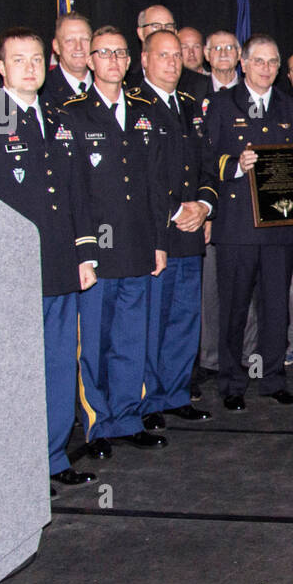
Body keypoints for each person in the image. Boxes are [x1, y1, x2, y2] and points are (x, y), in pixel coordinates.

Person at [0, 27, 99, 488]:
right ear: (0, 67)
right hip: (9, 272)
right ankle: (18, 467)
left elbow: (77, 192)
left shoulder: (58, 119)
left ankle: (54, 456)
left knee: (59, 366)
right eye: (19, 60)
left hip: (59, 266)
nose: (30, 68)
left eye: (37, 59)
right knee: (16, 372)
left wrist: (86, 254)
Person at [58, 25, 168, 458]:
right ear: (89, 59)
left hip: (139, 243)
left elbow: (156, 186)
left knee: (131, 338)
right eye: (104, 53)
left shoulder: (145, 111)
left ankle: (127, 416)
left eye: (121, 54)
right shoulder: (72, 113)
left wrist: (160, 241)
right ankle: (97, 423)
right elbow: (73, 188)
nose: (113, 61)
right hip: (97, 248)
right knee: (95, 342)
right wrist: (83, 248)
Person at [200, 34, 293, 411]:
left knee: (276, 309)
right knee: (233, 309)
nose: (266, 69)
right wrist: (233, 165)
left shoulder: (291, 107)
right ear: (243, 64)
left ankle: (272, 378)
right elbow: (206, 158)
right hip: (237, 229)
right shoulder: (220, 104)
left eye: (272, 62)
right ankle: (231, 383)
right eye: (258, 61)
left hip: (280, 225)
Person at [129, 29, 216, 428]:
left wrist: (204, 205)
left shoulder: (189, 104)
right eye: (162, 55)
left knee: (184, 319)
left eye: (177, 55)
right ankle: (147, 401)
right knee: (152, 320)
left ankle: (176, 393)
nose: (171, 62)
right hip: (155, 230)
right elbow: (133, 174)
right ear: (144, 60)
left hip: (191, 227)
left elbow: (207, 164)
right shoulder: (133, 105)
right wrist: (171, 210)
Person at [43, 12, 93, 108]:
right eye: (70, 40)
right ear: (56, 46)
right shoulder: (43, 90)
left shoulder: (105, 84)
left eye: (85, 39)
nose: (79, 47)